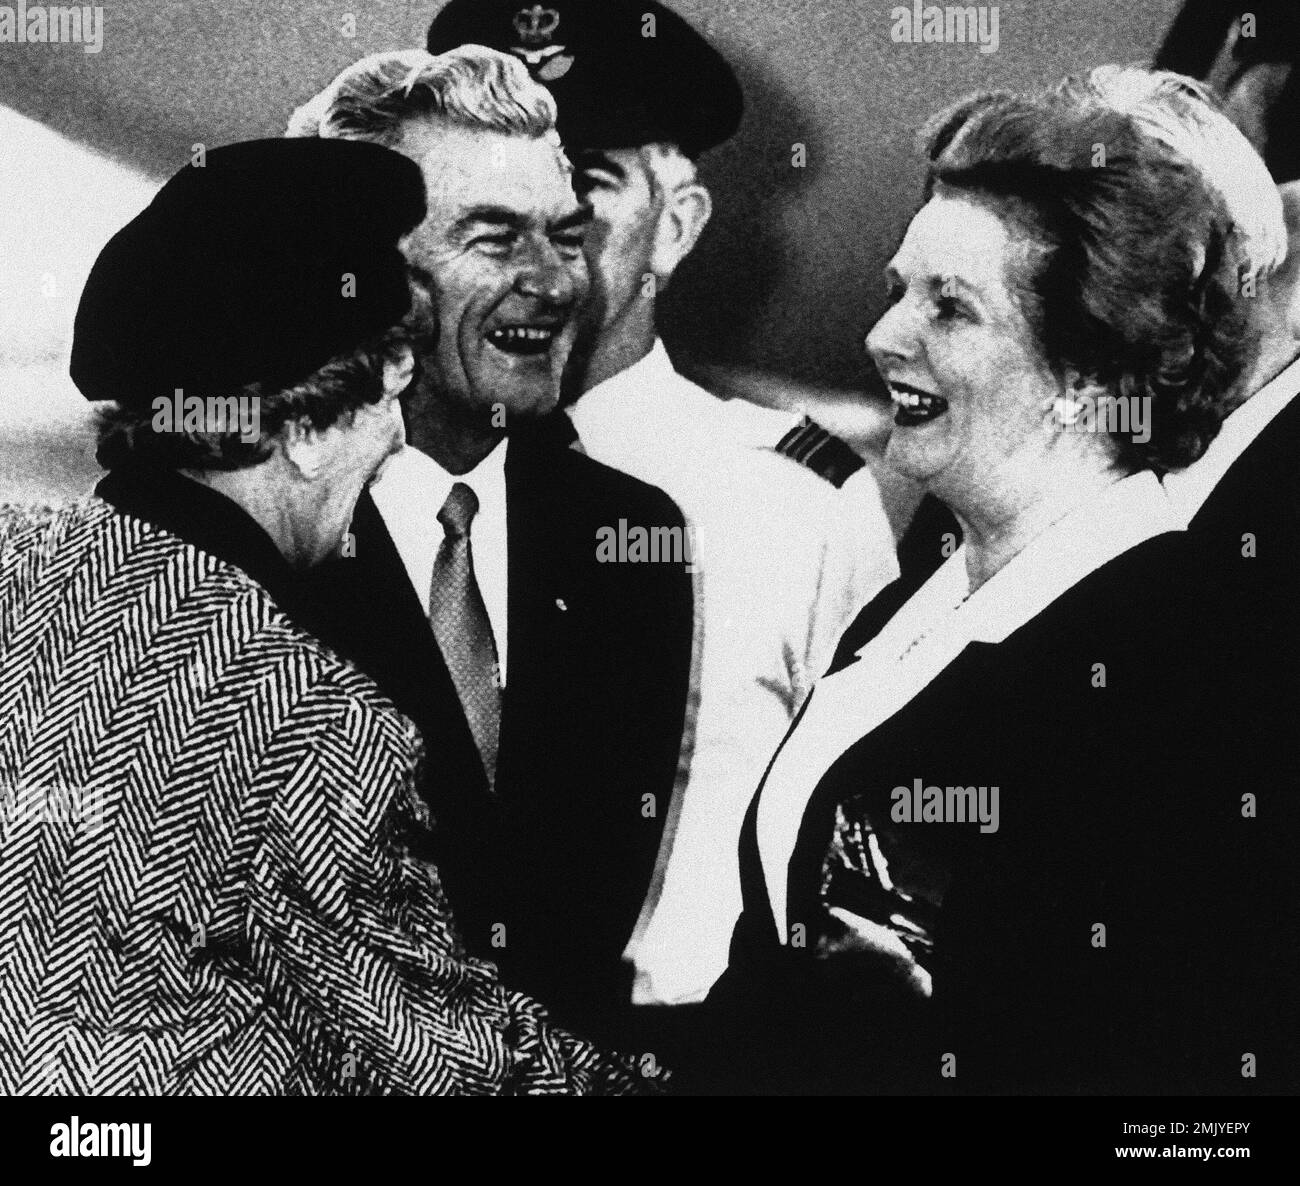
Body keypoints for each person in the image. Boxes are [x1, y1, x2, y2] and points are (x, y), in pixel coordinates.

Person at [0, 138, 646, 1095]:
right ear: (301, 431)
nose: (394, 441)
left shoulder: (16, 564)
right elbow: (454, 1064)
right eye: (388, 397)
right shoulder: (304, 718)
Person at [695, 85, 1269, 1094]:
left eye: (948, 307)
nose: (882, 336)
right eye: (897, 288)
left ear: (1090, 370)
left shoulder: (1181, 656)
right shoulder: (924, 598)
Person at [426, 0, 899, 1024]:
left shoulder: (791, 503)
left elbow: (864, 838)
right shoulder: (381, 484)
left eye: (580, 183)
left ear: (675, 226)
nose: (530, 242)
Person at [284, 47, 693, 1050]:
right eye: (494, 237)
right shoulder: (261, 538)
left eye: (566, 234)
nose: (555, 282)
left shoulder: (629, 540)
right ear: (367, 272)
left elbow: (574, 945)